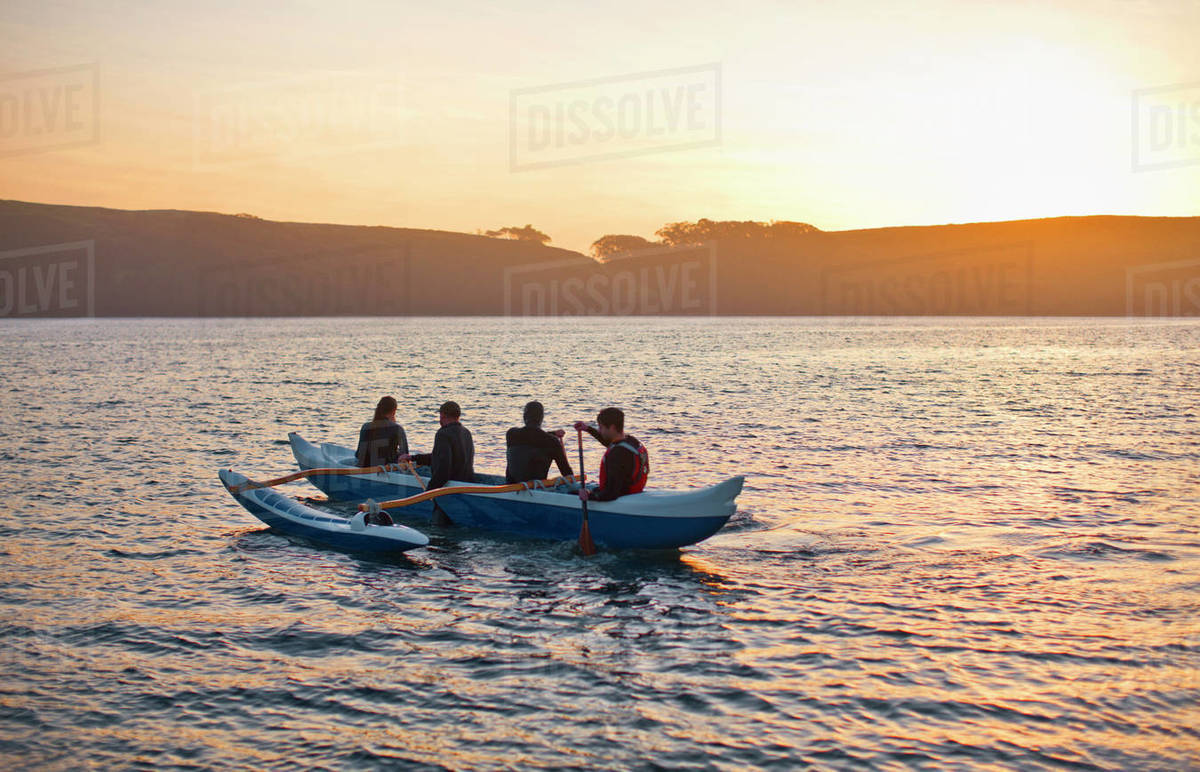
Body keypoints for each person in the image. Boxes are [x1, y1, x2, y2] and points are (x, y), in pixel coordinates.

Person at [574, 407, 649, 501]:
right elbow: (610, 443)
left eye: (601, 427)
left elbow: (611, 494)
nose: (600, 431)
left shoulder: (616, 455)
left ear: (612, 427)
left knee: (572, 493)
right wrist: (588, 429)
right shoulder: (631, 441)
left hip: (620, 497)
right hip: (633, 492)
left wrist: (589, 496)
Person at [400, 401, 475, 490]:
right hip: (467, 482)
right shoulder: (466, 433)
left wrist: (429, 491)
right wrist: (413, 458)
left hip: (451, 486)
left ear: (442, 415)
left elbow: (443, 469)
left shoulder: (443, 434)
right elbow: (438, 458)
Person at [505, 400, 574, 483]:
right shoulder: (552, 442)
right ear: (542, 418)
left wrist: (553, 433)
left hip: (511, 486)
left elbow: (531, 436)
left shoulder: (511, 434)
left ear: (524, 416)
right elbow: (566, 472)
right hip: (536, 488)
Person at [355, 396, 408, 468]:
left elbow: (358, 455)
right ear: (394, 411)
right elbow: (405, 457)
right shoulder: (397, 429)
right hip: (386, 470)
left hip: (365, 467)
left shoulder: (365, 426)